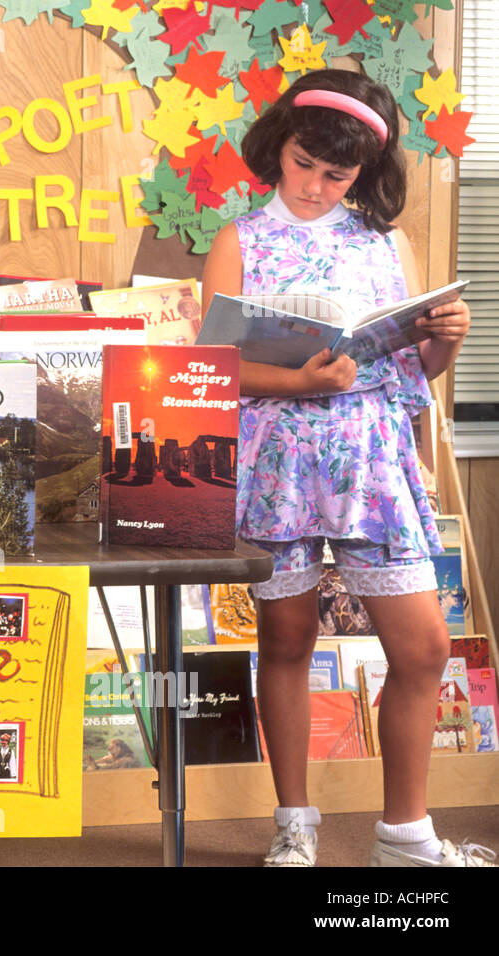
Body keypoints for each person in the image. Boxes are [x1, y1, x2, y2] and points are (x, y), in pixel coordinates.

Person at [201, 69, 491, 868]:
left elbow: (412, 366)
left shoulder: (383, 241)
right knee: (287, 639)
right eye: (303, 164)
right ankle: (294, 823)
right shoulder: (240, 239)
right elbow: (209, 368)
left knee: (425, 646)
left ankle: (405, 835)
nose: (316, 187)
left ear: (364, 173)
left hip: (370, 460)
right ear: (277, 147)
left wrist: (448, 337)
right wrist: (299, 380)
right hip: (277, 464)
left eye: (338, 175)